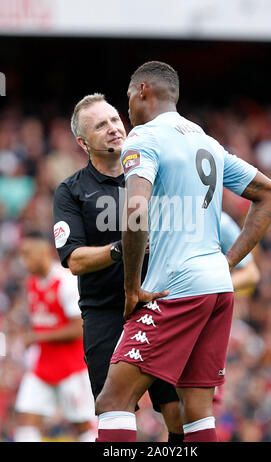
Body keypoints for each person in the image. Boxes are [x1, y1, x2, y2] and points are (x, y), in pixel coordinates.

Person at [95, 61, 271, 443]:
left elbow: (135, 210)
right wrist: (227, 263)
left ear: (144, 90)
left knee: (114, 398)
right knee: (196, 411)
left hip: (174, 286)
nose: (126, 108)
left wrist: (132, 286)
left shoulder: (144, 138)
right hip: (217, 288)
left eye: (128, 97)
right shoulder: (207, 142)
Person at [53, 93, 183, 442]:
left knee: (178, 410)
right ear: (83, 143)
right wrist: (123, 249)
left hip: (159, 303)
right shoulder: (71, 191)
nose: (112, 128)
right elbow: (74, 259)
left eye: (114, 119)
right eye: (100, 125)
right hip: (104, 312)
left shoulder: (156, 172)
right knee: (113, 407)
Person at [14, 230, 95, 442]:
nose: (24, 260)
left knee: (82, 426)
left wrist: (38, 337)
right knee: (25, 422)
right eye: (22, 254)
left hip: (71, 367)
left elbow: (79, 328)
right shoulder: (32, 283)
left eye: (28, 253)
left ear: (44, 252)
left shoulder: (64, 281)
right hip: (43, 366)